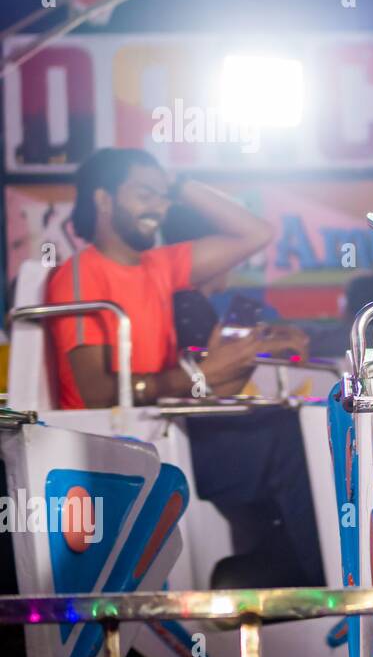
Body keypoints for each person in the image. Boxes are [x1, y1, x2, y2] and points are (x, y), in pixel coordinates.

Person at [45, 149, 323, 587]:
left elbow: (256, 232)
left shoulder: (161, 265)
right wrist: (199, 377)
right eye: (143, 194)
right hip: (111, 445)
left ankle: (276, 576)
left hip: (167, 429)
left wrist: (180, 185)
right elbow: (98, 393)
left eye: (162, 197)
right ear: (103, 200)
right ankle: (314, 590)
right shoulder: (79, 276)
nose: (157, 207)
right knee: (284, 442)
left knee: (293, 425)